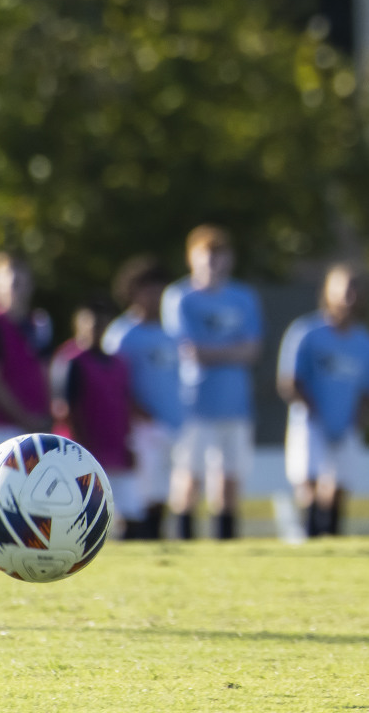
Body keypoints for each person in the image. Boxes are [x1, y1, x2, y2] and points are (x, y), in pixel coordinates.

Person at [163, 224, 263, 540]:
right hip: (194, 403)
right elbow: (190, 351)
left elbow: (252, 350)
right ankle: (184, 542)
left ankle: (226, 544)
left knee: (230, 479)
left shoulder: (243, 297)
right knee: (189, 477)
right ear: (192, 258)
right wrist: (229, 350)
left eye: (219, 255)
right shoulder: (180, 297)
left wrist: (214, 351)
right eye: (206, 255)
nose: (213, 263)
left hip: (235, 403)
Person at [278, 264, 369, 537]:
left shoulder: (366, 343)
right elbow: (290, 381)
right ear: (328, 290)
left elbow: (368, 391)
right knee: (309, 484)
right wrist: (317, 416)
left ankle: (333, 538)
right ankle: (309, 535)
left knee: (340, 486)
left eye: (355, 289)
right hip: (312, 423)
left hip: (346, 425)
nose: (349, 295)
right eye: (344, 288)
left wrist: (355, 422)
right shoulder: (306, 333)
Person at [105, 256, 184, 539]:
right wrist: (136, 411)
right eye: (147, 290)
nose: (154, 297)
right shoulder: (123, 334)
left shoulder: (171, 332)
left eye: (159, 290)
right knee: (139, 493)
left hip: (172, 424)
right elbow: (112, 382)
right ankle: (135, 541)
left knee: (163, 491)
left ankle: (157, 541)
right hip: (140, 427)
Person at [50, 301, 136, 514]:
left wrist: (128, 444)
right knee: (86, 511)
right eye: (92, 324)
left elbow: (124, 405)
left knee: (128, 510)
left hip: (114, 449)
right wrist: (82, 450)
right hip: (84, 452)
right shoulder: (71, 361)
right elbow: (64, 409)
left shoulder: (118, 363)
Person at [0, 253, 54, 456]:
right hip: (2, 428)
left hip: (37, 426)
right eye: (7, 274)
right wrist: (24, 418)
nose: (15, 280)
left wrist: (46, 416)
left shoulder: (39, 322)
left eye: (21, 274)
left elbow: (45, 371)